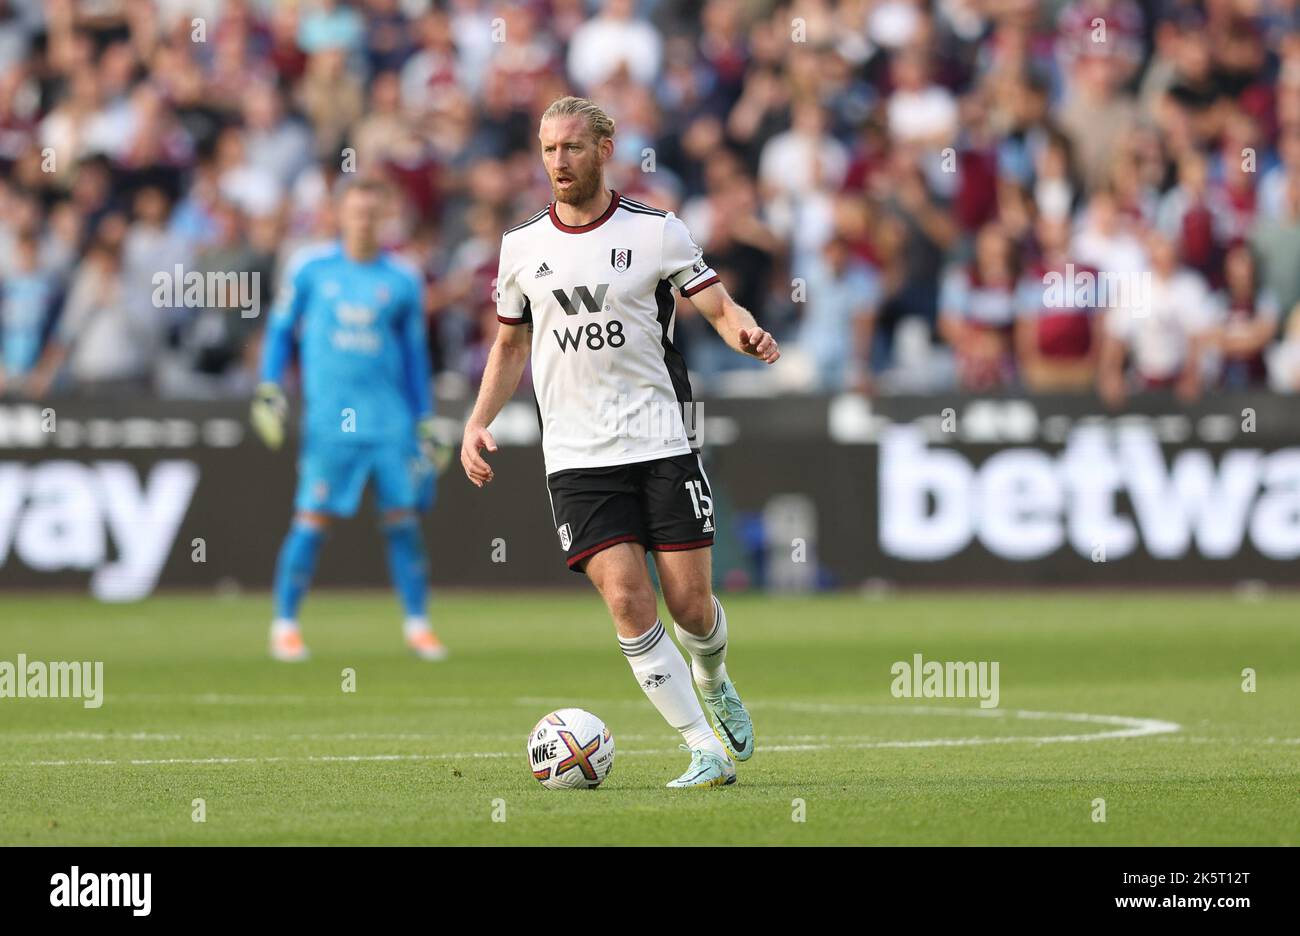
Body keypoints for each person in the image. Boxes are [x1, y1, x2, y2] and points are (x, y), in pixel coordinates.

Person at [460, 97, 779, 789]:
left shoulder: (658, 232)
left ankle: (714, 675)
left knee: (690, 605)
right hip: (576, 456)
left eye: (572, 148)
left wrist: (745, 335)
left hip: (661, 437)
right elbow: (510, 342)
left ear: (605, 150)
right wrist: (477, 420)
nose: (558, 162)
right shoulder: (521, 247)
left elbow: (718, 307)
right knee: (630, 601)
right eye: (548, 149)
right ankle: (703, 749)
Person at [251, 177, 450, 662]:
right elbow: (279, 332)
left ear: (383, 216)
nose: (364, 219)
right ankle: (285, 625)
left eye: (372, 212)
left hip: (390, 422)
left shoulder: (403, 276)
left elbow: (414, 357)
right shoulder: (310, 268)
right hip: (329, 423)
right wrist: (269, 387)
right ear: (338, 214)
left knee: (402, 521)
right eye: (356, 211)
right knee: (311, 519)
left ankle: (418, 624)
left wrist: (425, 418)